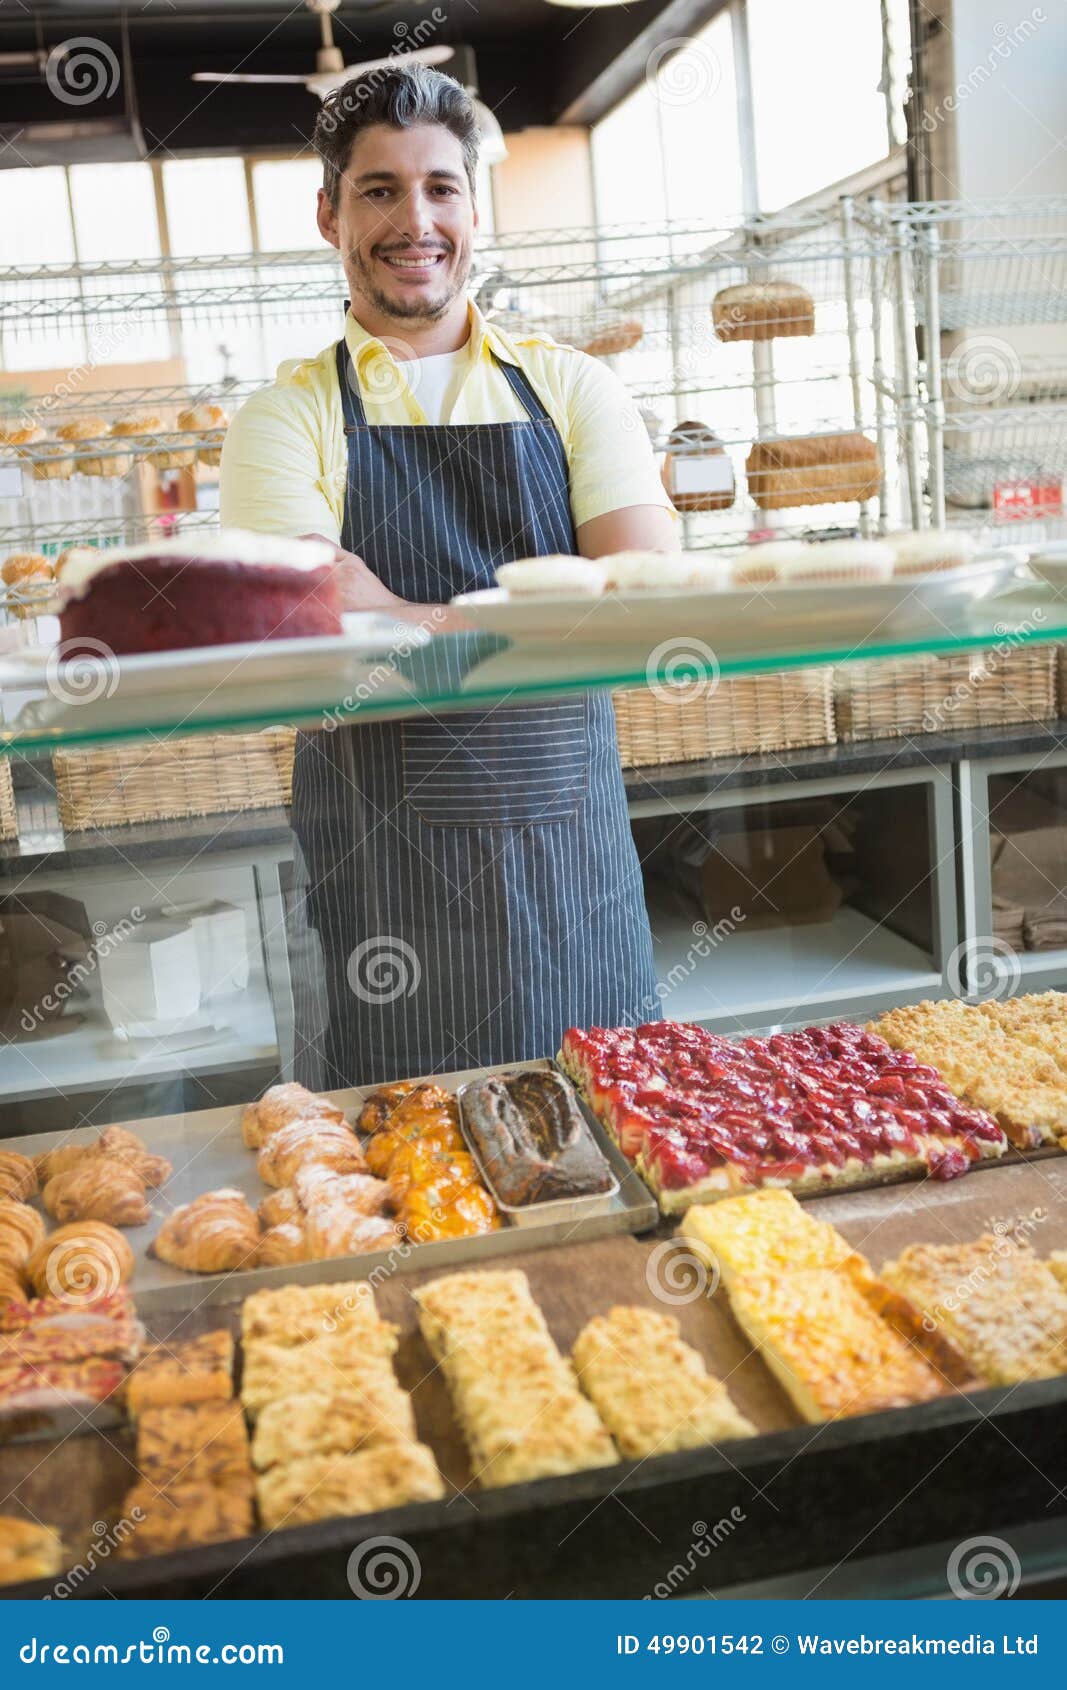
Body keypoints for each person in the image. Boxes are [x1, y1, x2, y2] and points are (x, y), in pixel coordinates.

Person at [221, 65, 677, 1086]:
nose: (413, 220)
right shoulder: (283, 417)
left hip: (579, 893)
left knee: (625, 1148)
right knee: (411, 1193)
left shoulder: (570, 387)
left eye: (439, 188)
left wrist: (401, 610)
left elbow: (642, 603)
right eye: (378, 189)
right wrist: (549, 612)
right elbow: (311, 630)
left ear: (474, 209)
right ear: (328, 213)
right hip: (393, 914)